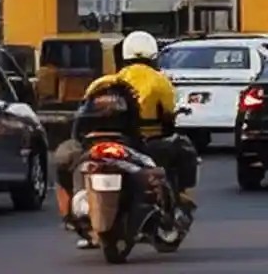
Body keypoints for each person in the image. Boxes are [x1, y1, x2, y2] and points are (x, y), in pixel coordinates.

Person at [53, 31, 197, 249]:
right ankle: (182, 202)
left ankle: (69, 217)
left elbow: (82, 113)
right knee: (184, 150)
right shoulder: (160, 82)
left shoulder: (104, 82)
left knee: (63, 163)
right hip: (142, 143)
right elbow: (169, 117)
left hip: (96, 145)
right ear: (154, 56)